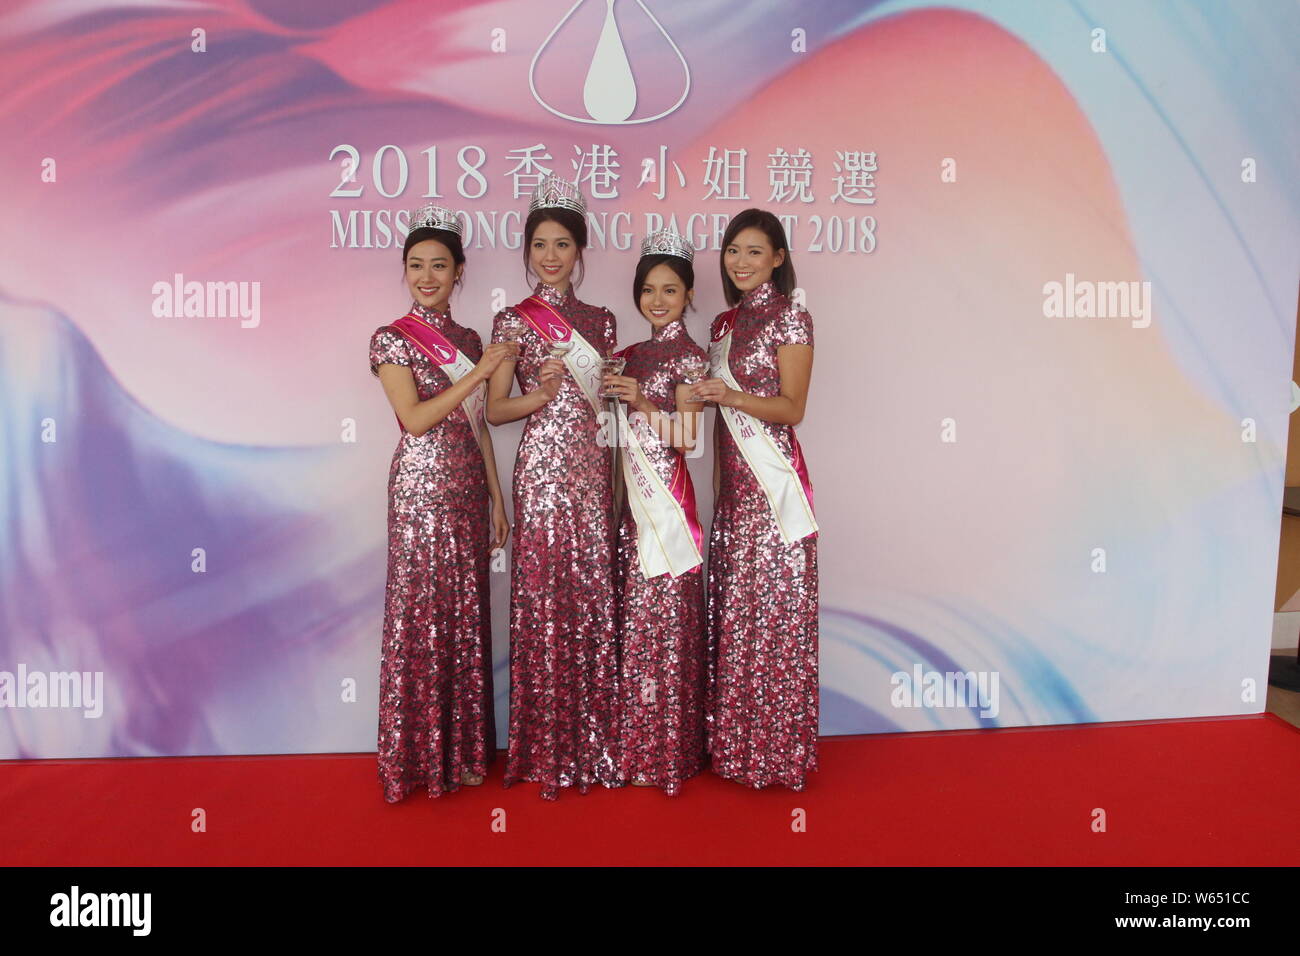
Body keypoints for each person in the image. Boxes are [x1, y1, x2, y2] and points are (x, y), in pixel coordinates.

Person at [368, 203, 515, 801]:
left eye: (439, 265)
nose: (426, 276)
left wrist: (497, 501)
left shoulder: (470, 340)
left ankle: (464, 753)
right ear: (404, 272)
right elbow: (417, 417)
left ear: (460, 271)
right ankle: (417, 758)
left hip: (467, 493)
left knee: (465, 617)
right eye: (415, 265)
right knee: (420, 619)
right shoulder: (391, 339)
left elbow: (479, 428)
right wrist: (479, 375)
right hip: (419, 494)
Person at [485, 175, 621, 800]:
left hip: (592, 474)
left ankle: (591, 744)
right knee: (541, 605)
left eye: (561, 243)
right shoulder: (511, 321)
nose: (550, 255)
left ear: (580, 250)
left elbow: (611, 415)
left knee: (590, 601)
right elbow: (494, 410)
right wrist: (537, 395)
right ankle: (541, 750)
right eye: (540, 244)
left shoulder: (603, 321)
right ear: (526, 250)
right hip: (539, 475)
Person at [691, 207, 819, 791]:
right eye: (732, 251)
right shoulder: (720, 325)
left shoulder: (791, 318)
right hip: (735, 495)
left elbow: (792, 408)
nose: (740, 262)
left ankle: (778, 752)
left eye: (753, 252)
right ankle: (738, 747)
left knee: (774, 618)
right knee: (739, 617)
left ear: (778, 257)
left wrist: (731, 399)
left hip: (772, 491)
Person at [603, 229, 710, 796]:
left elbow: (688, 436)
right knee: (639, 624)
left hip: (668, 505)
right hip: (633, 508)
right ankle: (638, 742)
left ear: (689, 293)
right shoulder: (625, 355)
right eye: (649, 289)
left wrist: (644, 401)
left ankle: (671, 746)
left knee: (667, 621)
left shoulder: (692, 357)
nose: (659, 300)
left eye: (671, 289)